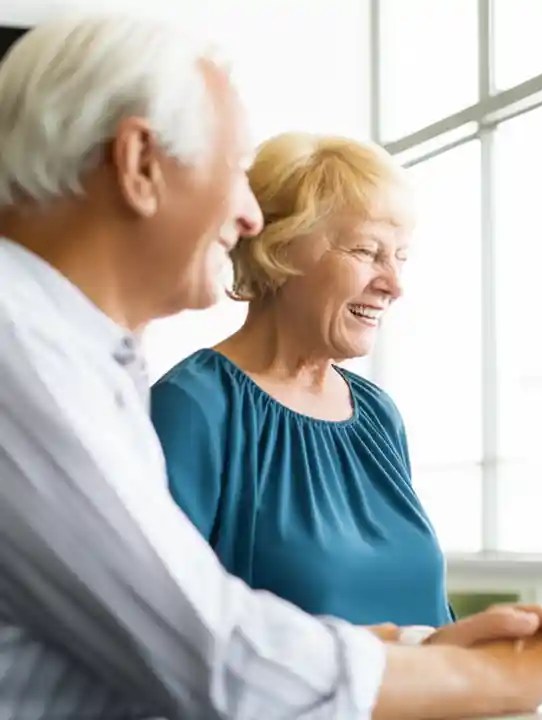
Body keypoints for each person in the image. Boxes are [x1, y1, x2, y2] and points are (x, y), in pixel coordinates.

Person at [0, 14, 542, 719]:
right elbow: (211, 653)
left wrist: (424, 652)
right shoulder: (30, 356)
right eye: (232, 171)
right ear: (138, 164)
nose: (249, 216)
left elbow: (138, 646)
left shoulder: (86, 359)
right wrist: (494, 680)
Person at [151, 131, 453, 638]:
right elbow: (163, 632)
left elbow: (428, 615)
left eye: (400, 257)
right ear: (280, 249)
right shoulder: (192, 408)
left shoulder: (377, 414)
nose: (394, 285)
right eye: (366, 251)